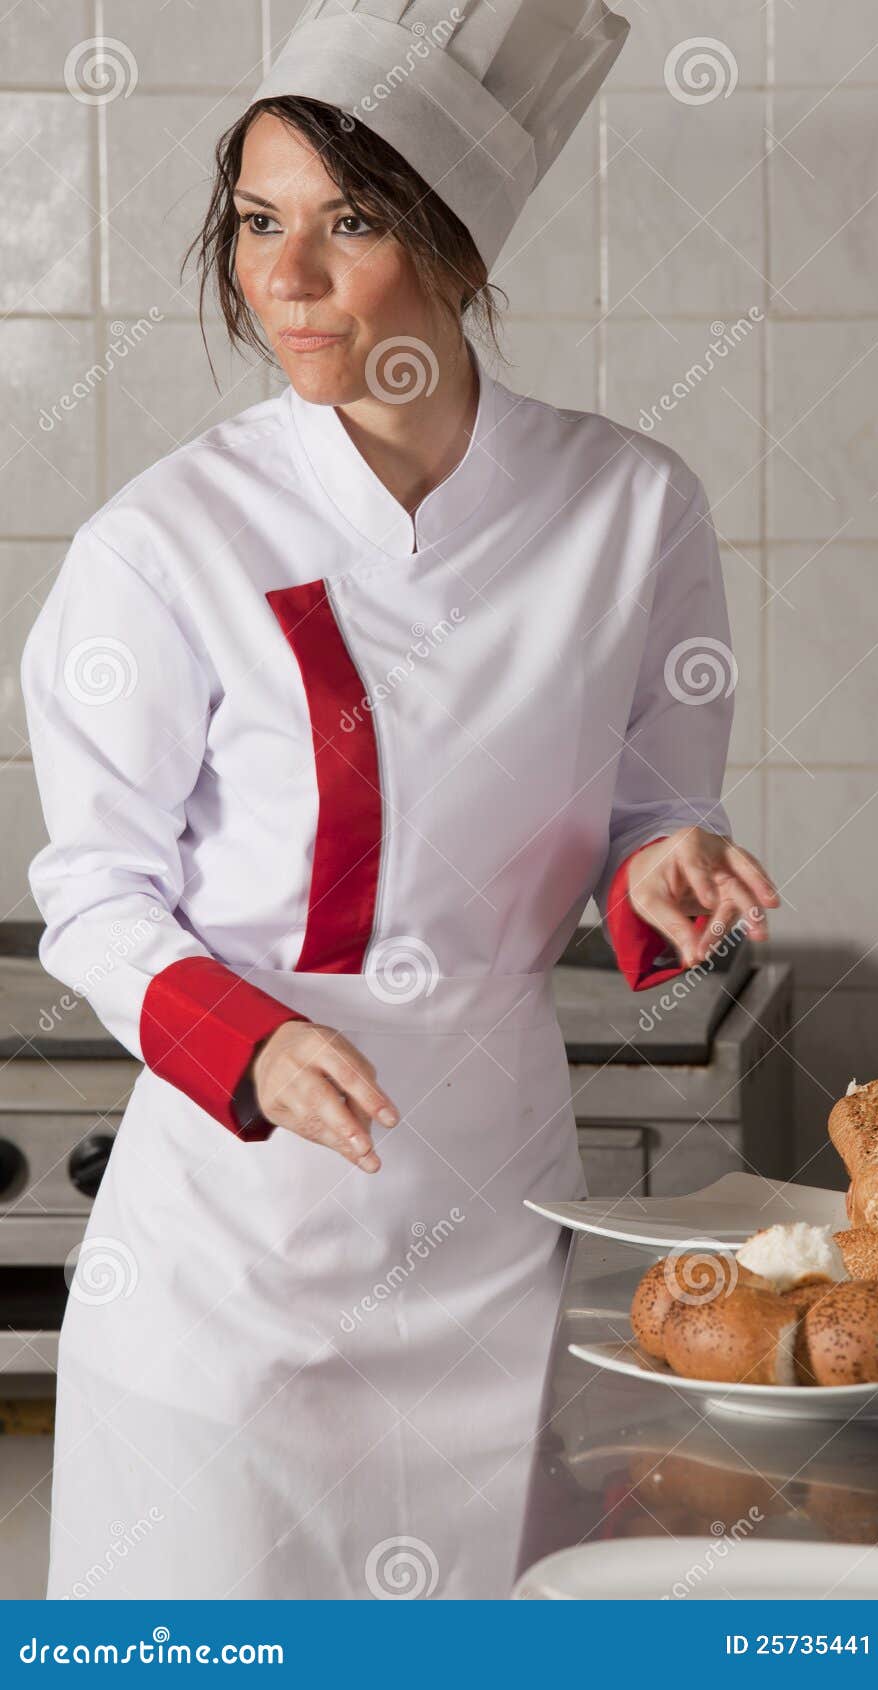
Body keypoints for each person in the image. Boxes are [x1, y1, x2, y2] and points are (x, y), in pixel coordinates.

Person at [21, 0, 779, 1600]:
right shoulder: (162, 547)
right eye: (254, 221)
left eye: (347, 222)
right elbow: (93, 893)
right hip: (224, 1272)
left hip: (491, 1245)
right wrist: (254, 1040)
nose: (281, 277)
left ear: (454, 242)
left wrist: (665, 868)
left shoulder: (633, 511)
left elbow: (653, 814)